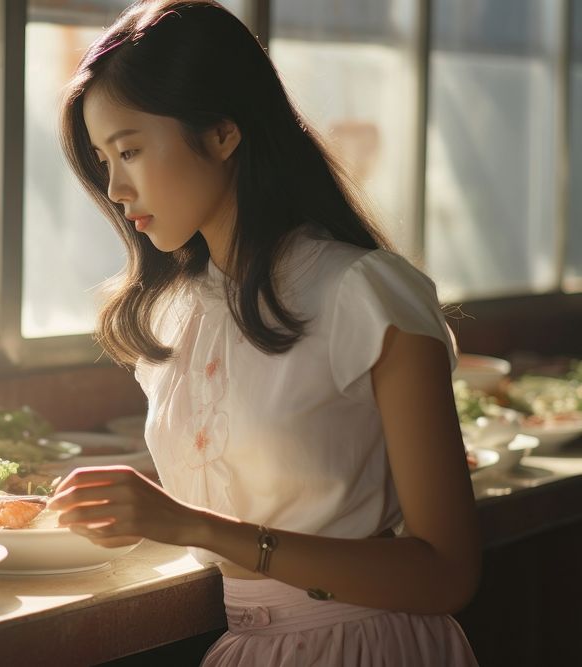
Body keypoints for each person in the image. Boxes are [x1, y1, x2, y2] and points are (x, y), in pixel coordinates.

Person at [45, 1, 481, 664]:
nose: (115, 188)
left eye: (129, 150)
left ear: (223, 132)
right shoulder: (173, 316)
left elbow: (447, 573)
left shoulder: (363, 294)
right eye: (103, 159)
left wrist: (190, 523)